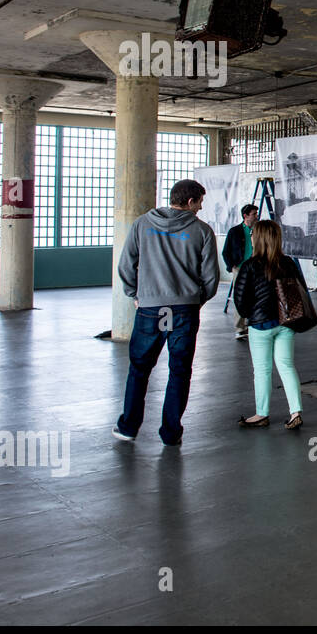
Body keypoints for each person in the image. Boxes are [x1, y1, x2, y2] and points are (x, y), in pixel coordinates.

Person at [113, 179, 220, 446]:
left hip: (149, 309)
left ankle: (128, 427)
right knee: (180, 370)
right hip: (184, 310)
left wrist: (135, 295)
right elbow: (210, 278)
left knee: (139, 369)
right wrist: (194, 300)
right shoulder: (202, 231)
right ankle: (171, 432)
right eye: (200, 202)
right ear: (191, 201)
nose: (201, 207)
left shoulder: (142, 224)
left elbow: (126, 265)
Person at [232, 220, 307, 430]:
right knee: (287, 366)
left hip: (260, 325)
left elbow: (240, 299)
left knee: (262, 370)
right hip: (286, 323)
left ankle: (262, 414)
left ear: (257, 238)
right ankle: (295, 412)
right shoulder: (289, 263)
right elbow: (299, 291)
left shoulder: (249, 266)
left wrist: (250, 316)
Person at [222, 204, 259, 339]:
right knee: (240, 297)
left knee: (257, 296)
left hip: (256, 268)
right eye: (254, 214)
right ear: (245, 216)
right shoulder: (234, 231)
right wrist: (231, 266)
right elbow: (225, 251)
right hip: (240, 268)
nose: (256, 216)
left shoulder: (259, 230)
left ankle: (254, 324)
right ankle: (240, 328)